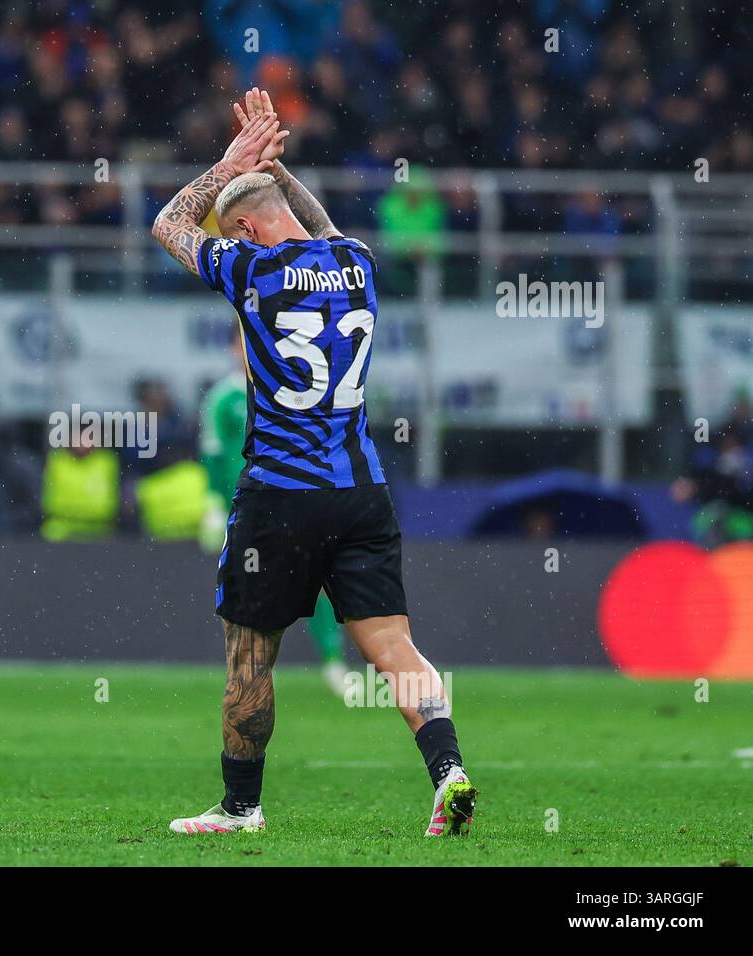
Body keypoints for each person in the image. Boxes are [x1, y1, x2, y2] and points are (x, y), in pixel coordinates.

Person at [151, 89, 476, 837]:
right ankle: (448, 769)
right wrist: (273, 170)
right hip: (362, 491)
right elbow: (314, 224)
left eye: (234, 226)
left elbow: (168, 222)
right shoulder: (355, 262)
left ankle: (241, 807)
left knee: (249, 656)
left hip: (281, 497)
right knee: (394, 645)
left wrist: (228, 163)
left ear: (242, 229)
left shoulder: (251, 274)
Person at [199, 334, 351, 696]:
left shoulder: (283, 389)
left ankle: (333, 661)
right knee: (253, 588)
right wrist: (212, 503)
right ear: (232, 348)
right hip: (245, 506)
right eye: (238, 343)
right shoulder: (224, 397)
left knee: (318, 582)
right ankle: (258, 669)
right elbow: (212, 454)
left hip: (290, 498)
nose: (244, 349)